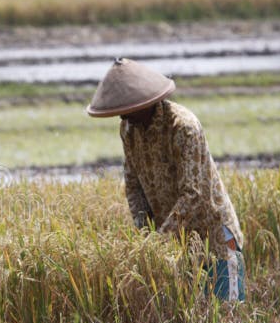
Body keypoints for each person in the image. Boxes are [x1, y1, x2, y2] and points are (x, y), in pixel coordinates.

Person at [86, 58, 245, 301]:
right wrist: (144, 234)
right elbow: (133, 185)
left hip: (214, 239)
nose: (122, 117)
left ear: (144, 103)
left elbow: (194, 195)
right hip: (176, 248)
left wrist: (159, 241)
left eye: (127, 110)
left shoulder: (183, 127)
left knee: (226, 320)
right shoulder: (129, 131)